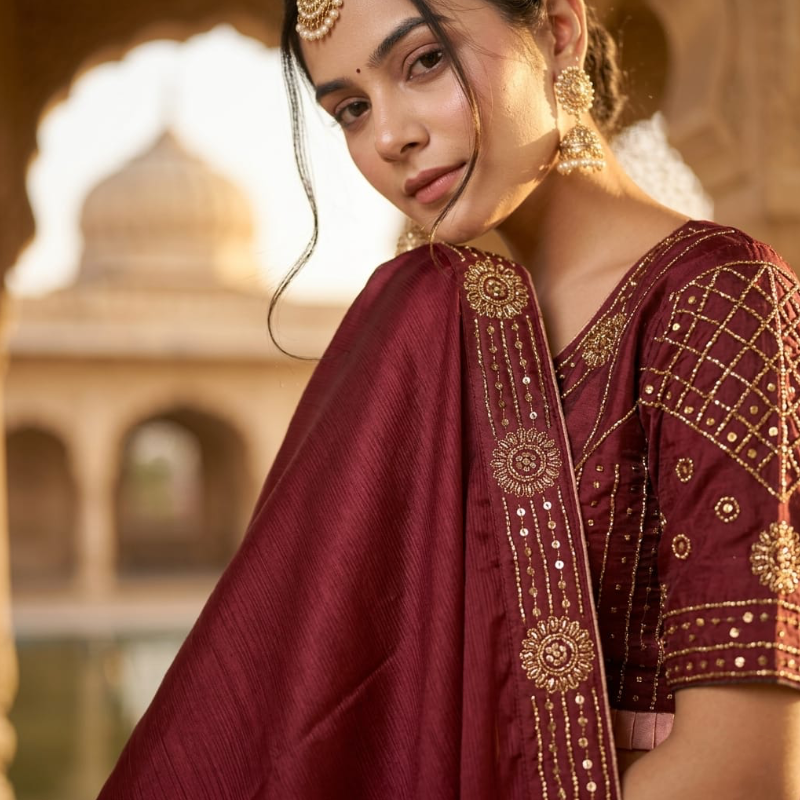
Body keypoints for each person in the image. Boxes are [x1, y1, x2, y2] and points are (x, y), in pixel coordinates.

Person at [97, 0, 800, 797]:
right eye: (351, 110)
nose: (388, 136)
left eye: (424, 62)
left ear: (560, 34)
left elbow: (741, 771)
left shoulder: (717, 296)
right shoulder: (425, 327)